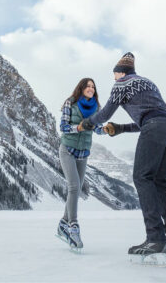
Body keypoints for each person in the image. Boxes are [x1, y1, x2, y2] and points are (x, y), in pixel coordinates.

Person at [79, 52, 166, 260]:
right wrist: (120, 128)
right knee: (158, 181)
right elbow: (152, 118)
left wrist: (89, 122)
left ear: (120, 72)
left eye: (114, 75)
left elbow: (105, 114)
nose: (113, 79)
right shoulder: (148, 83)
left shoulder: (122, 84)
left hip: (155, 127)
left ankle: (155, 239)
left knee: (142, 177)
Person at [56, 77, 105, 250]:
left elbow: (97, 128)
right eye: (88, 86)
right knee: (74, 187)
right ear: (82, 88)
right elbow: (63, 127)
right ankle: (73, 226)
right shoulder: (71, 103)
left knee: (76, 191)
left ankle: (63, 223)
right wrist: (78, 128)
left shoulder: (96, 108)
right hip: (68, 149)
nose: (91, 89)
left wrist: (107, 130)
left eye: (93, 86)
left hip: (83, 153)